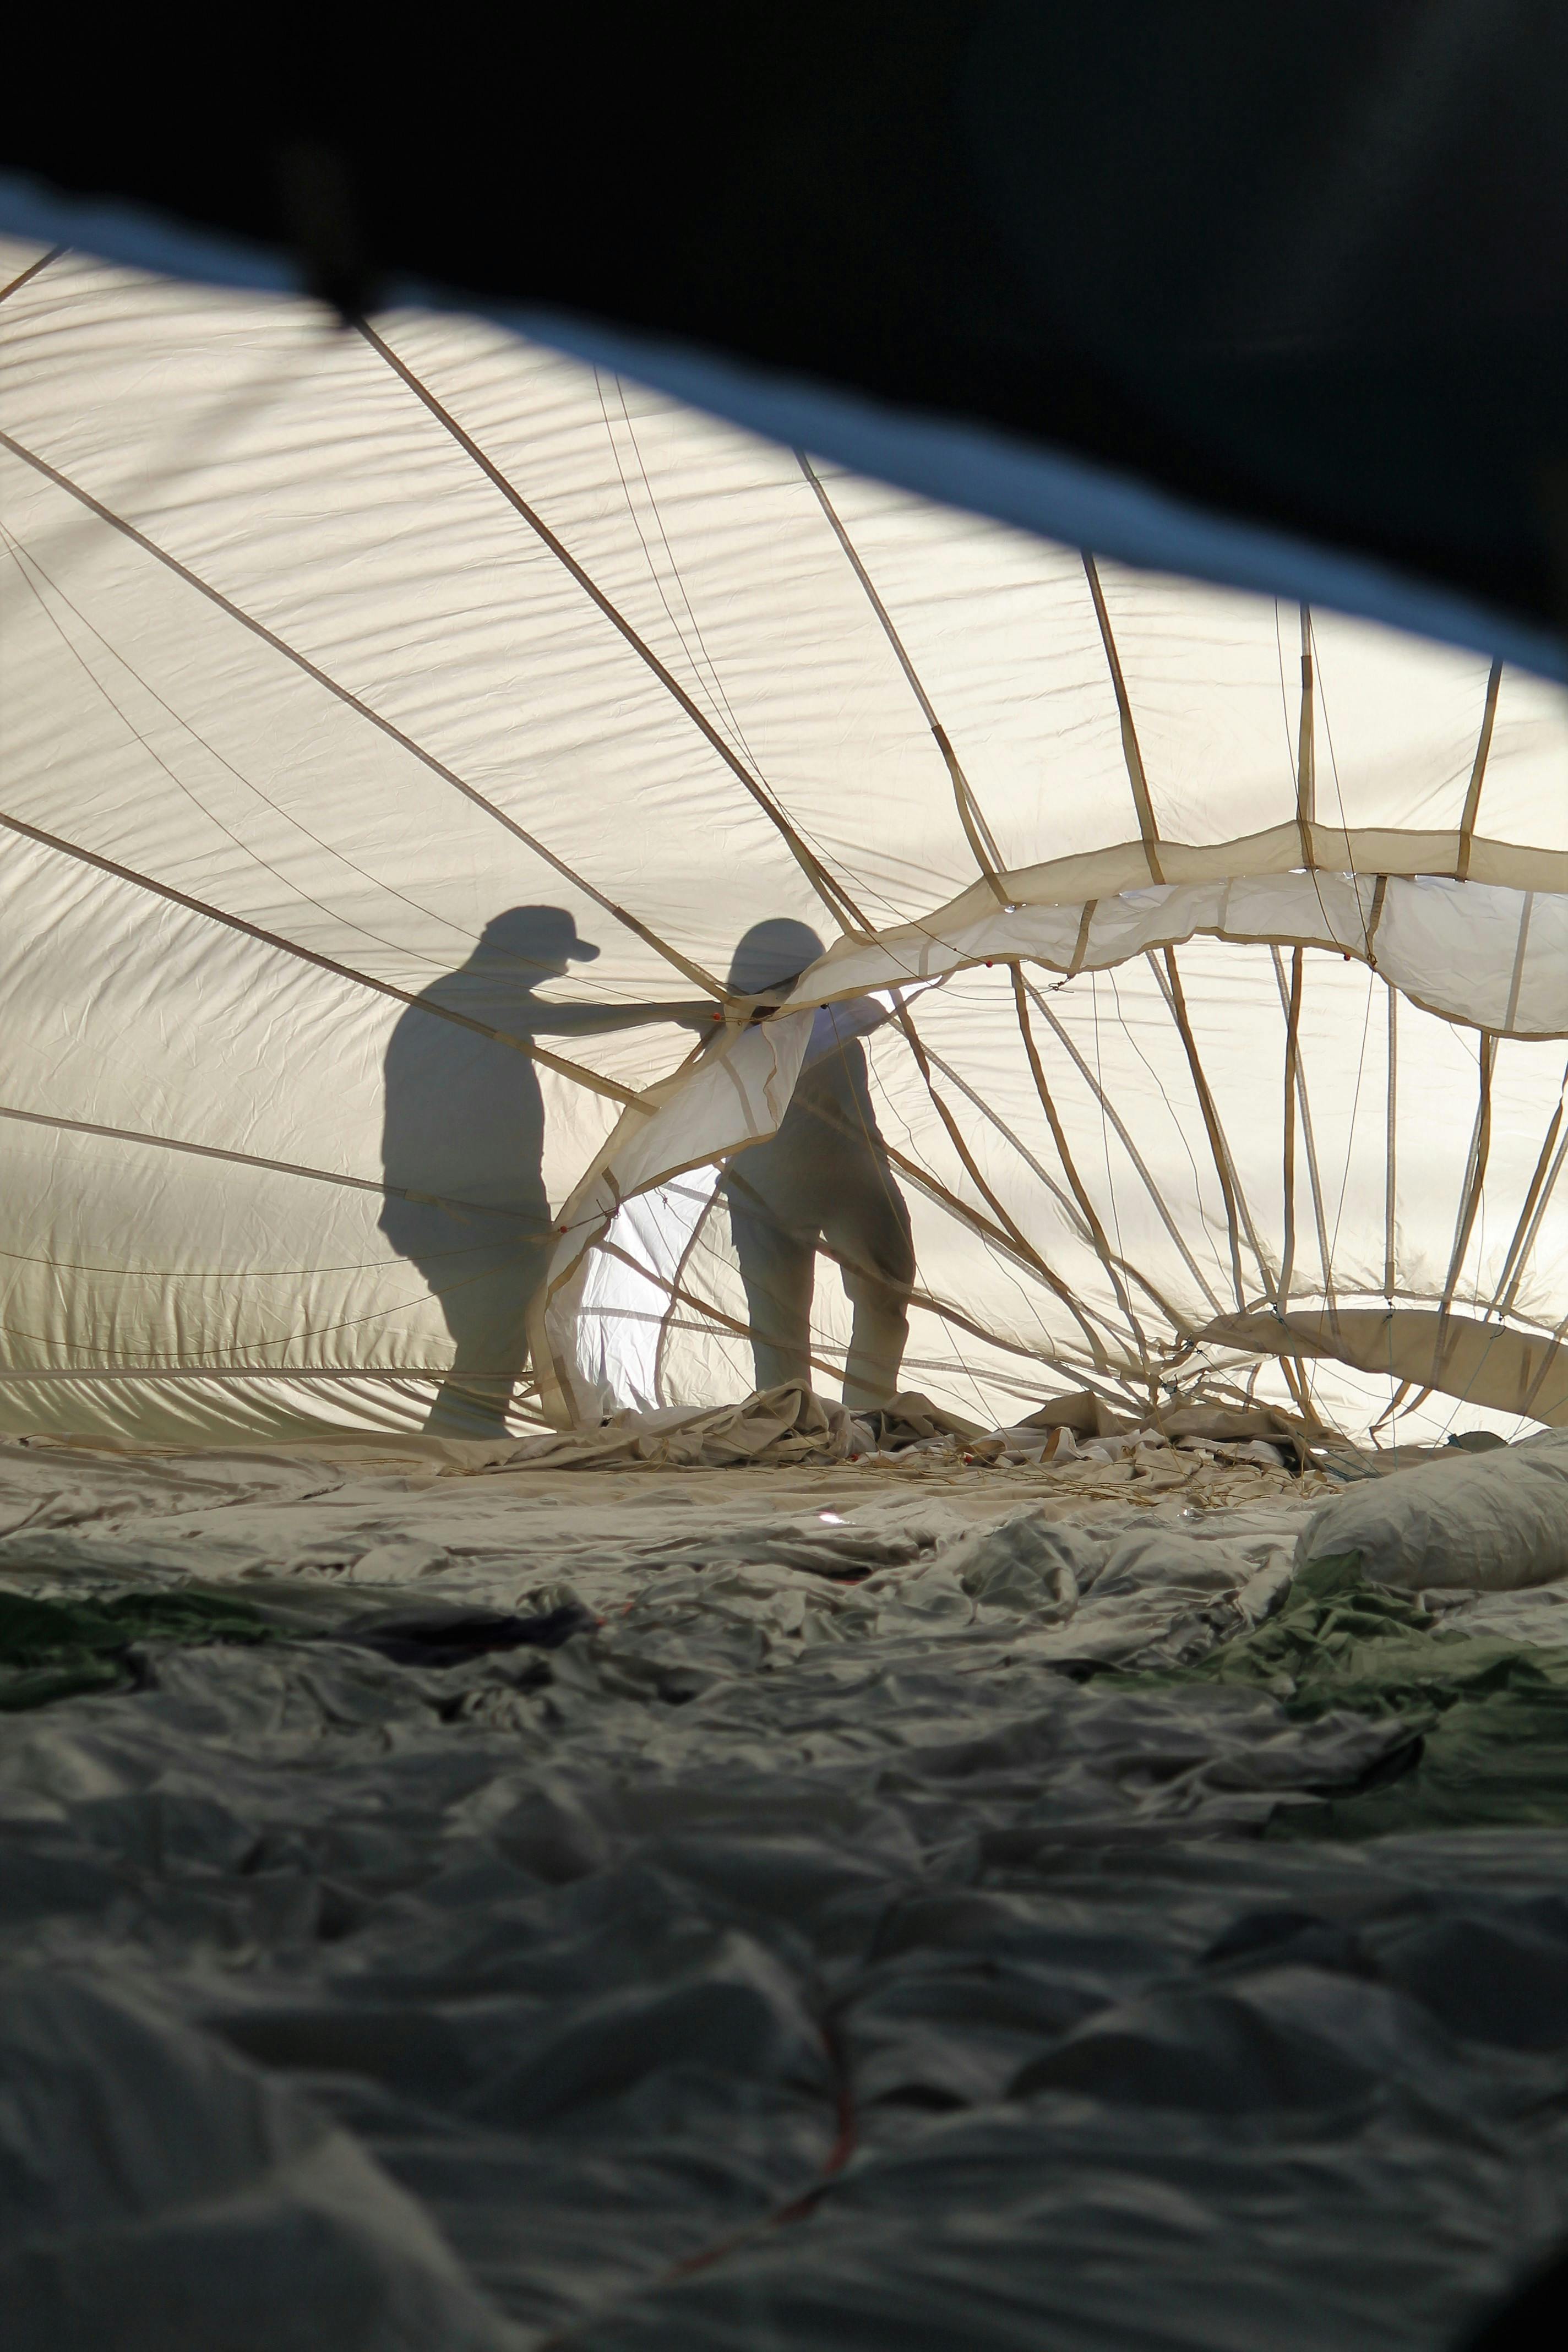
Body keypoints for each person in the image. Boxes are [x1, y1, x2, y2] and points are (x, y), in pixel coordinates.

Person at [380, 905, 711, 1434]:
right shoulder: (462, 1000)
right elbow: (563, 1021)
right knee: (498, 1330)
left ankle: (470, 1438)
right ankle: (460, 1439)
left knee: (506, 1330)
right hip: (462, 1204)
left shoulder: (470, 1001)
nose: (559, 971)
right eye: (557, 958)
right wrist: (672, 1009)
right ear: (521, 951)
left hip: (474, 1201)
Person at [720, 918, 914, 1409]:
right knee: (781, 1321)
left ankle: (866, 1416)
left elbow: (868, 1012)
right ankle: (793, 1421)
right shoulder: (737, 1029)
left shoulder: (835, 1013)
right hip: (774, 1186)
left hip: (843, 1178)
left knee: (883, 1299)